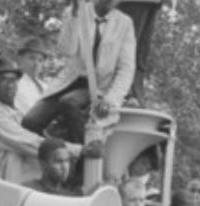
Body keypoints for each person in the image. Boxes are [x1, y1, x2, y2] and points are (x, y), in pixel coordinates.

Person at [22, 0, 138, 148]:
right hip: (70, 81)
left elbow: (126, 69)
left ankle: (84, 157)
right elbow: (66, 50)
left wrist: (109, 101)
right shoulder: (74, 12)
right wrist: (74, 16)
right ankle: (57, 151)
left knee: (69, 102)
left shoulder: (125, 23)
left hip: (98, 87)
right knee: (30, 121)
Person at [0, 57, 44, 187]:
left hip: (29, 187)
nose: (9, 85)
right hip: (8, 191)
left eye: (12, 80)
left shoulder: (21, 112)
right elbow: (33, 144)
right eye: (2, 80)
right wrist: (77, 150)